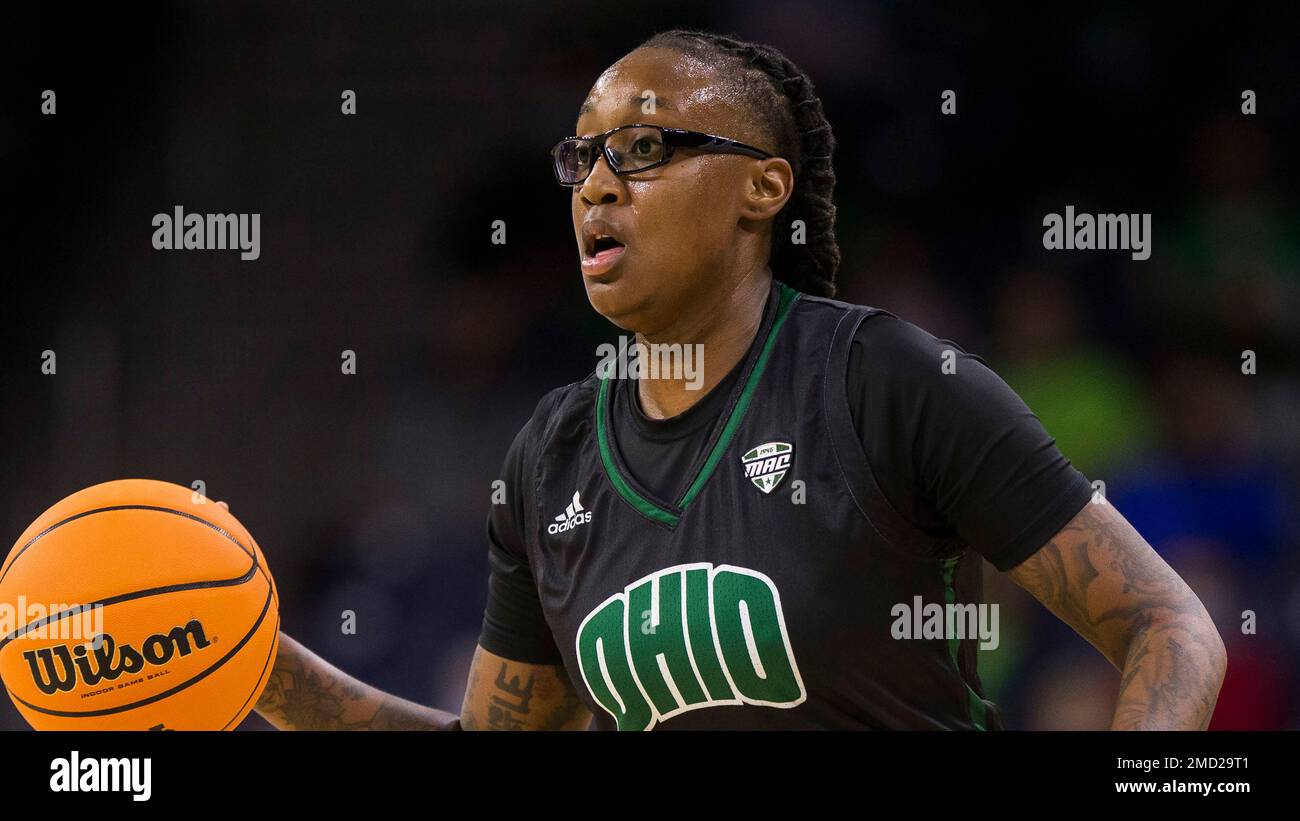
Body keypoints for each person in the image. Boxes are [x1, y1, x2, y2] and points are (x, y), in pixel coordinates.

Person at [255, 29, 1225, 731]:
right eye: (580, 156)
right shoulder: (552, 455)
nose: (594, 183)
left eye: (640, 151)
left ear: (763, 187)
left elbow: (1166, 621)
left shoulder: (884, 378)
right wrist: (254, 664)